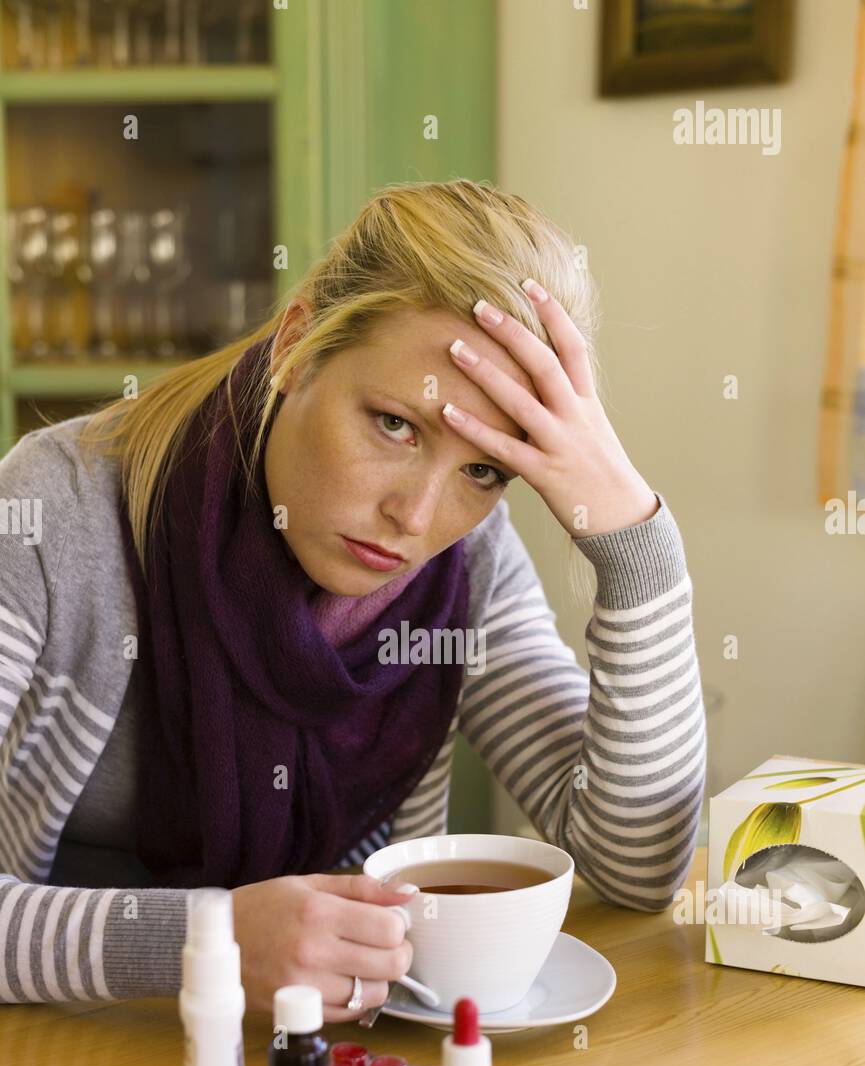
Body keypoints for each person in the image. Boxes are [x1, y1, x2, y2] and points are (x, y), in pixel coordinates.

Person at [0, 178, 706, 1015]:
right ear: (297, 343)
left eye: (483, 471)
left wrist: (635, 546)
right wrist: (211, 941)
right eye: (394, 425)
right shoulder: (54, 512)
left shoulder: (467, 562)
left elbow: (636, 863)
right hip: (67, 1063)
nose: (415, 517)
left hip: (328, 1064)